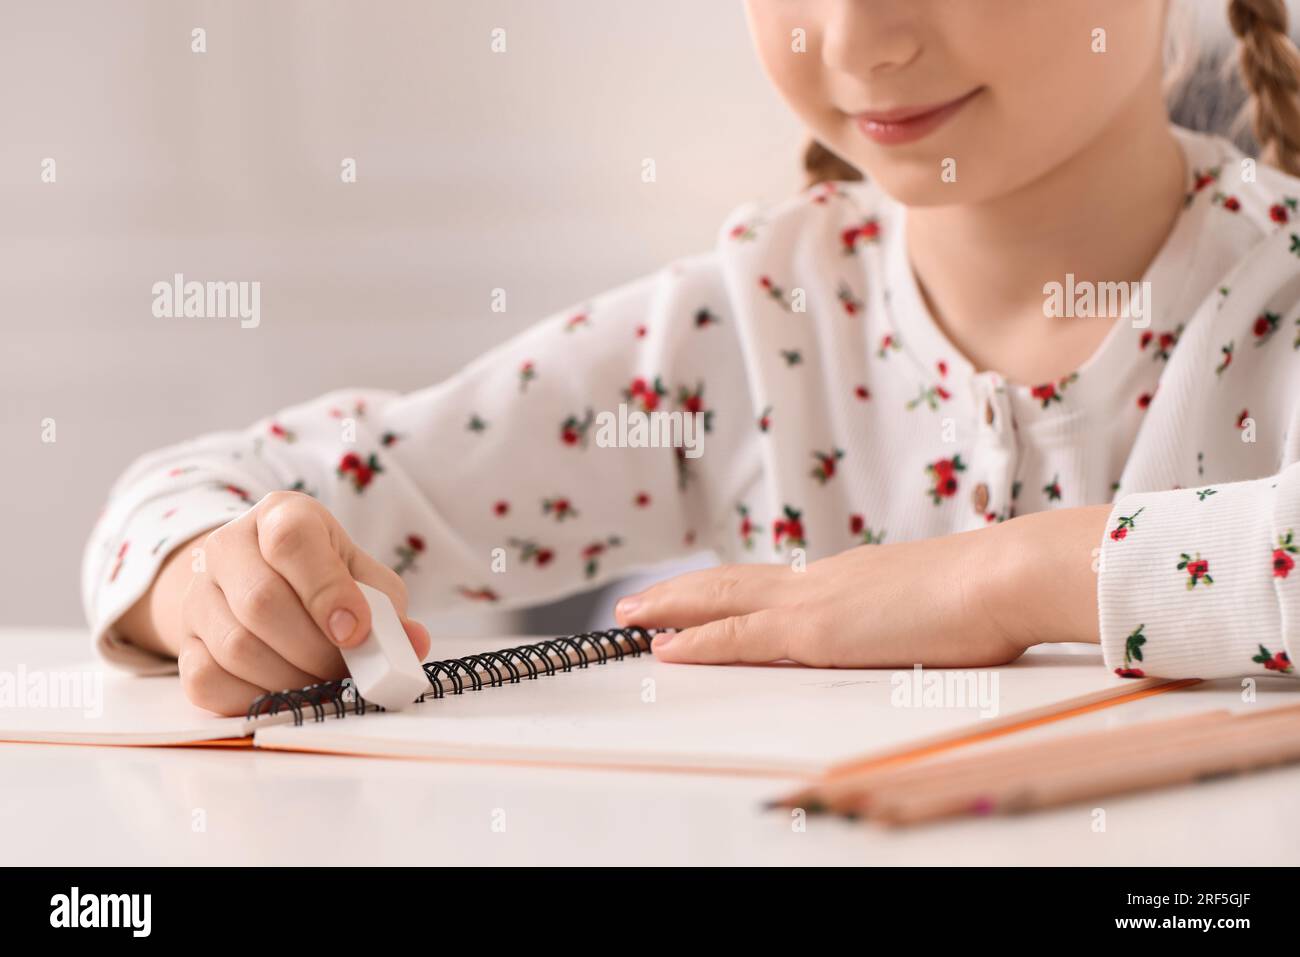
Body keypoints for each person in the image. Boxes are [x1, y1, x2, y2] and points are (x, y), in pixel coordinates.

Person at [86, 0, 1300, 714]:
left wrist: (997, 581)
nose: (857, 38)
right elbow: (204, 485)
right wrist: (215, 581)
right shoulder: (742, 332)